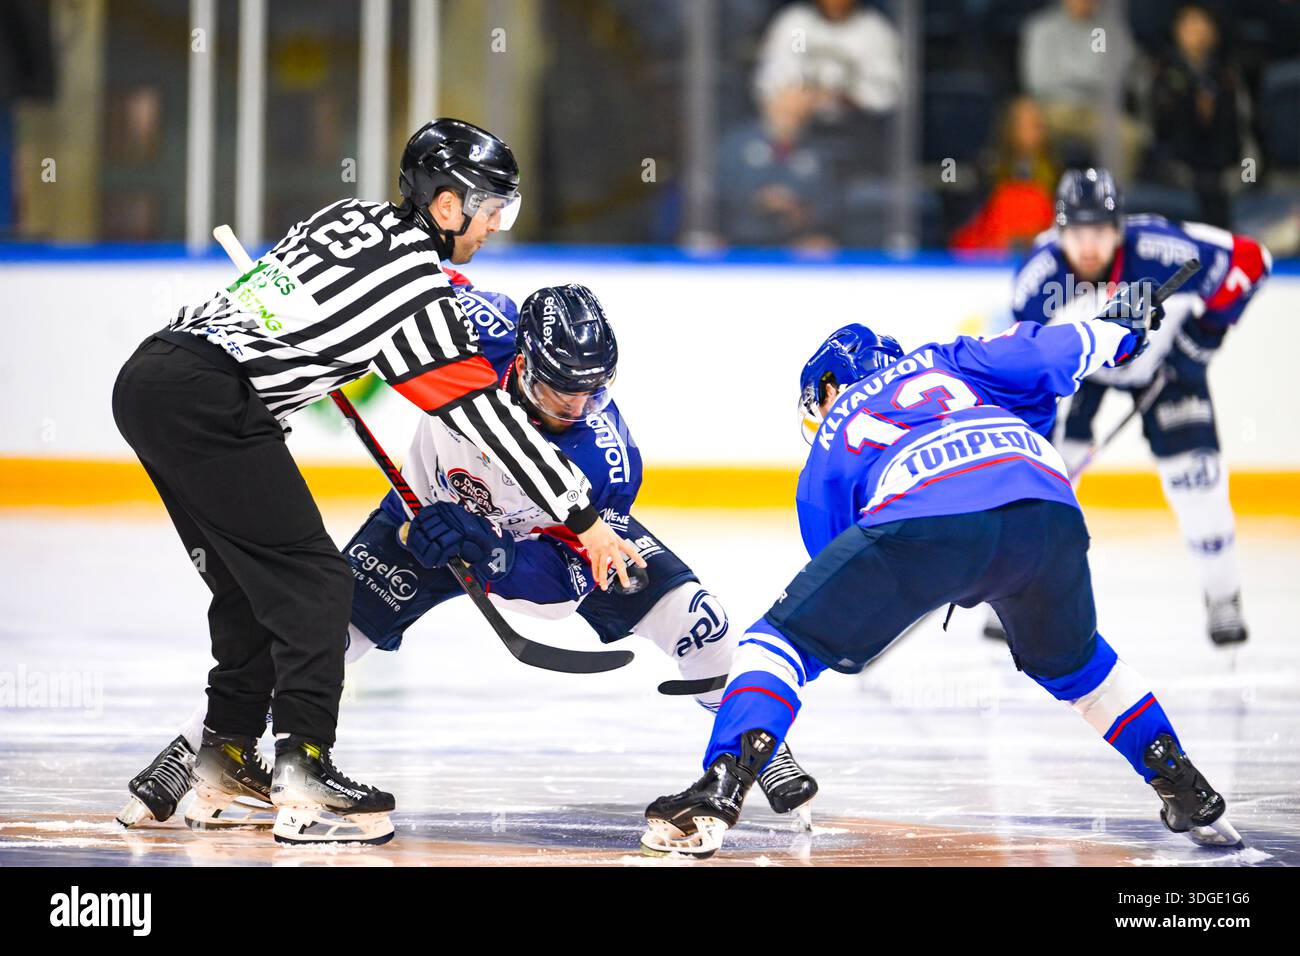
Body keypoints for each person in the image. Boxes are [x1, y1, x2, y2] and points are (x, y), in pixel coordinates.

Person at [118, 280, 818, 835]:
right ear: (521, 362)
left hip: (544, 550)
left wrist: (490, 556)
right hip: (415, 516)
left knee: (700, 620)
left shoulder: (604, 460)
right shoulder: (473, 324)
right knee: (317, 632)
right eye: (557, 388)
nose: (575, 405)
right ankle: (200, 750)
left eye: (591, 389)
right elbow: (390, 296)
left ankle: (755, 741)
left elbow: (554, 594)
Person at [111, 118, 643, 846]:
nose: (495, 226)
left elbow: (284, 313)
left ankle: (225, 755)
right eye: (492, 209)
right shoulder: (416, 293)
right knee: (319, 587)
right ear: (447, 204)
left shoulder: (350, 219)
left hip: (154, 378)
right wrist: (584, 519)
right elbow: (487, 416)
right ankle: (304, 773)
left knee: (249, 591)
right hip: (212, 403)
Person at [640, 296, 1243, 859]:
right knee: (1079, 668)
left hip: (926, 519)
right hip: (1049, 508)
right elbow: (1046, 352)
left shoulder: (830, 440)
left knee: (779, 644)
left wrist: (918, 585)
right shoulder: (945, 363)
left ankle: (722, 783)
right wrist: (1119, 332)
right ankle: (1180, 780)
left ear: (827, 386)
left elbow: (839, 574)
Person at [1009, 168, 1271, 645]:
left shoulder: (1160, 250)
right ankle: (1013, 590)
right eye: (1077, 233)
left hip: (1161, 367)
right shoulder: (1038, 277)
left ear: (1120, 229)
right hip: (1085, 369)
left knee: (1196, 476)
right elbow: (1026, 362)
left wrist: (1202, 336)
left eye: (1101, 232)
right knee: (1041, 475)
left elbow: (1253, 261)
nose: (1089, 246)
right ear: (1058, 231)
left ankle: (1223, 595)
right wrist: (1037, 440)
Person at [1145, 4, 1246, 228]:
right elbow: (1153, 134)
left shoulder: (1227, 75)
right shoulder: (1160, 73)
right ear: (1177, 30)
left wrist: (1237, 174)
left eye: (1203, 24)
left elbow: (1244, 131)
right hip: (1177, 170)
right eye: (1190, 25)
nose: (1198, 32)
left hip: (1222, 170)